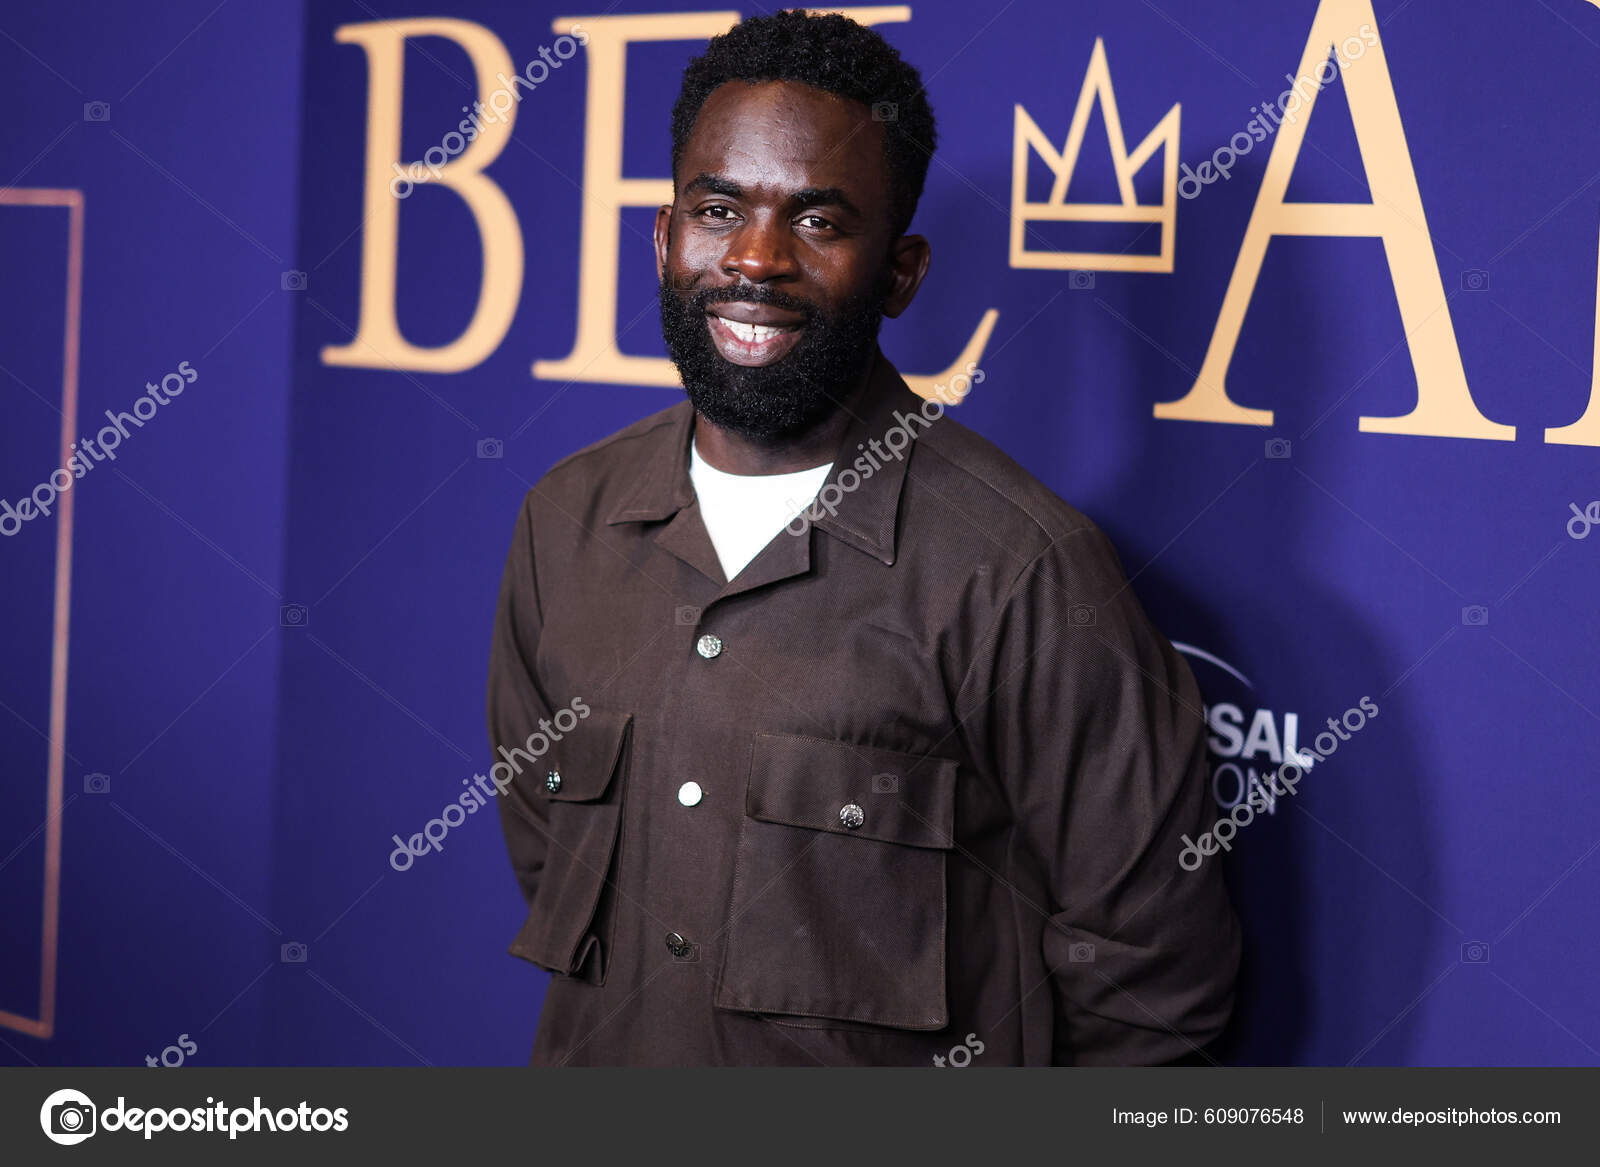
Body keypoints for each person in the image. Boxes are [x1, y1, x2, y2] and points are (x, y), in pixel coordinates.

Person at [486, 8, 1238, 1066]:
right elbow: (544, 852)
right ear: (664, 238)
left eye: (819, 222)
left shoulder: (1021, 571)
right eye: (717, 208)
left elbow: (1153, 988)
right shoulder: (562, 521)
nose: (755, 259)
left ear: (900, 272)